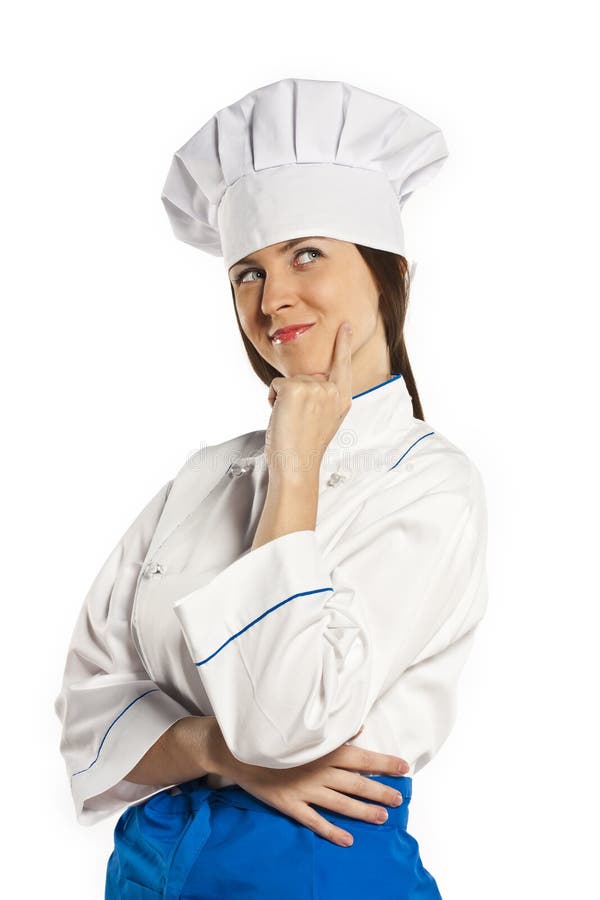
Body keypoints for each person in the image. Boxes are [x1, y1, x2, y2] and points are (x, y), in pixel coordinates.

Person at [54, 77, 489, 899]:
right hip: (150, 866)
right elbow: (86, 705)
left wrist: (296, 467)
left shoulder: (432, 486)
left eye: (307, 255)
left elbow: (287, 725)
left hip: (317, 865)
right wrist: (219, 754)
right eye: (246, 273)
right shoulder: (204, 474)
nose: (273, 297)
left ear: (388, 272)